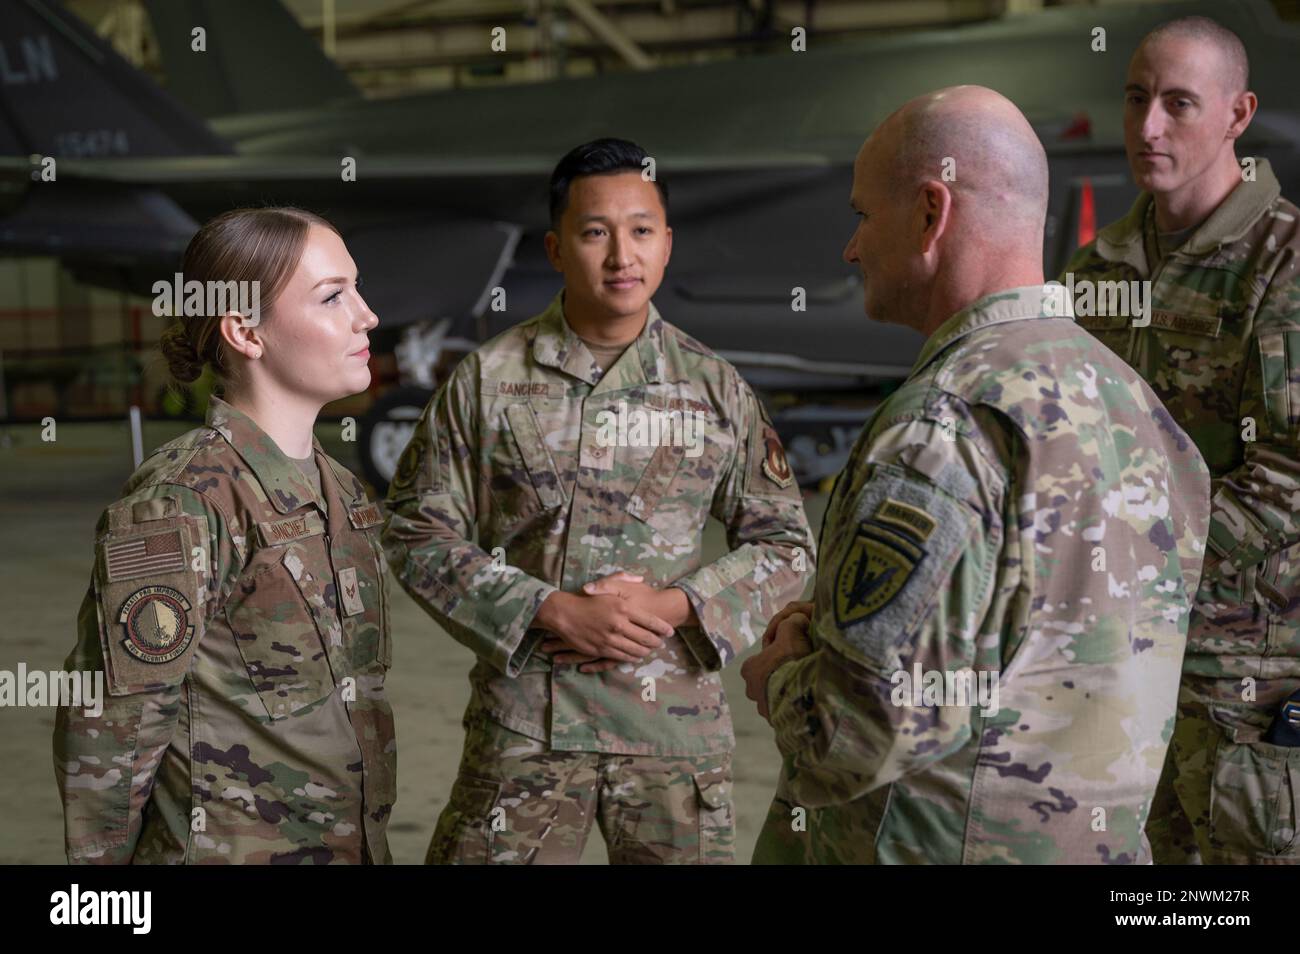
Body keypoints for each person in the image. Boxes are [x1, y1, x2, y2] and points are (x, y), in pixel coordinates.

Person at [741, 86, 1211, 864]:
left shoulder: (945, 423)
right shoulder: (1135, 404)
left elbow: (851, 734)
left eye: (862, 216)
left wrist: (783, 671)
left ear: (930, 214)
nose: (851, 249)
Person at [382, 138, 814, 864]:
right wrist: (543, 609)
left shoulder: (715, 388)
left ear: (667, 244)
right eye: (594, 232)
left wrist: (675, 608)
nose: (622, 255)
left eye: (641, 230)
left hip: (672, 731)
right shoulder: (488, 380)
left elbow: (786, 546)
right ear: (555, 248)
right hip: (526, 728)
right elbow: (415, 532)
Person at [53, 207, 396, 863]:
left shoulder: (342, 493)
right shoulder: (183, 502)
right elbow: (113, 725)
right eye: (333, 297)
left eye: (357, 287)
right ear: (245, 330)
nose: (367, 315)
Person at [1060, 16, 1300, 864]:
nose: (1148, 126)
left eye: (1178, 104)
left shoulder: (1285, 264)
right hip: (1113, 678)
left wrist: (1127, 564)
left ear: (1239, 114)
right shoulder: (1093, 276)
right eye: (1135, 99)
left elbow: (1289, 471)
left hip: (1244, 677)